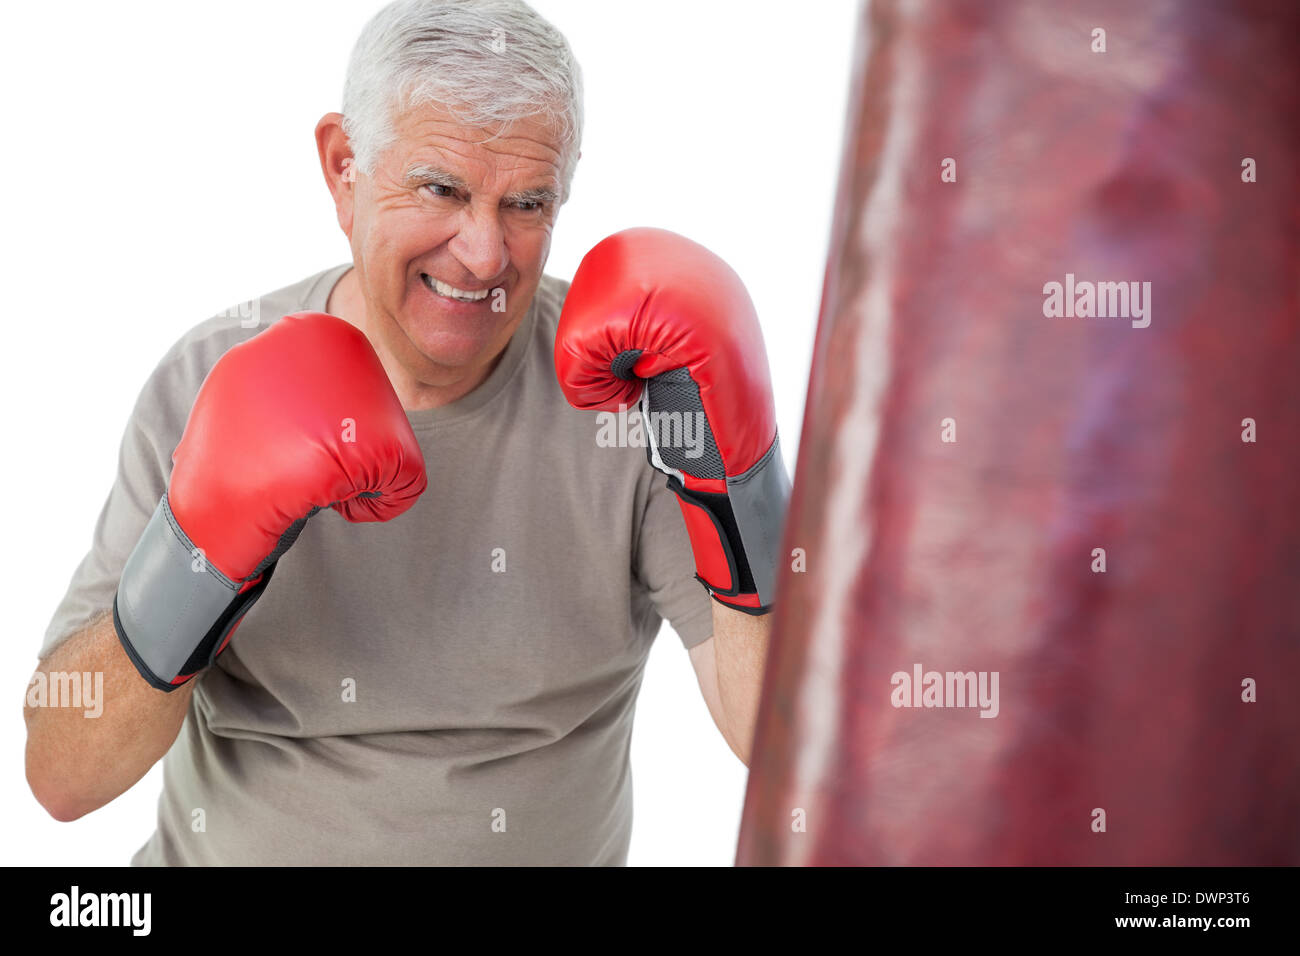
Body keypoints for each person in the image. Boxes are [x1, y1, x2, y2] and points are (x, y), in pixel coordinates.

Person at [24, 0, 786, 866]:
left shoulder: (633, 399)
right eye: (442, 190)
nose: (485, 254)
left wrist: (745, 485)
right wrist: (198, 558)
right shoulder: (206, 381)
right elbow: (62, 780)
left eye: (527, 203)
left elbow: (785, 754)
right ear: (344, 166)